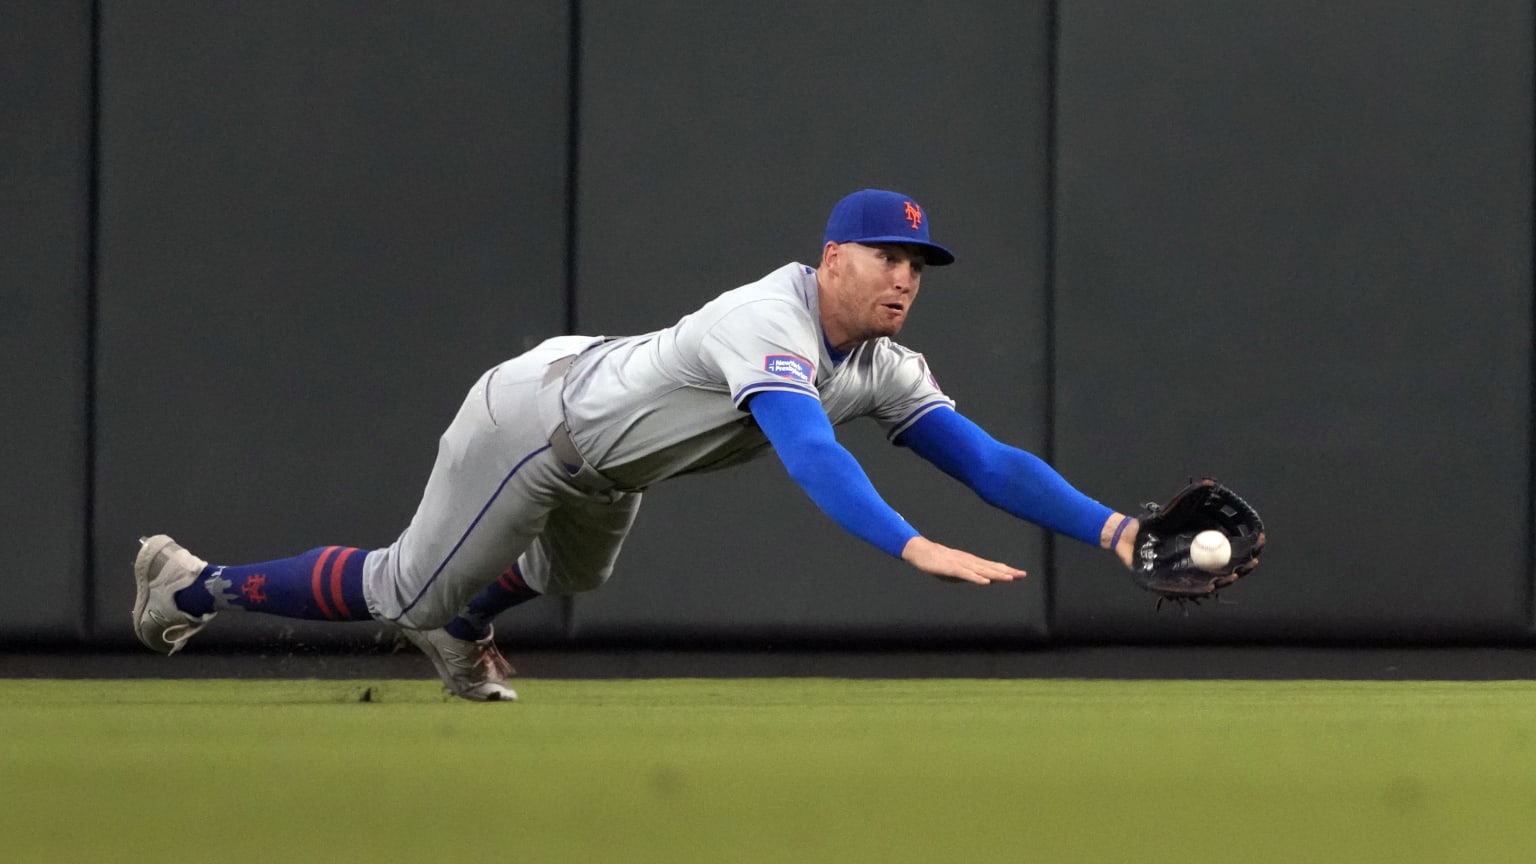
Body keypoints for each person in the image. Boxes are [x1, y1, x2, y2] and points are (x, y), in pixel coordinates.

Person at [131, 189, 1142, 701]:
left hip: (608, 449)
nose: (907, 278)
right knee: (404, 592)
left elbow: (987, 460)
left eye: (919, 264)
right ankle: (192, 586)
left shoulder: (882, 363)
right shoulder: (769, 319)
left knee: (572, 573)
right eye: (889, 257)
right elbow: (811, 453)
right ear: (834, 257)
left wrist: (1118, 533)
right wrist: (910, 545)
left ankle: (464, 619)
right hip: (536, 427)